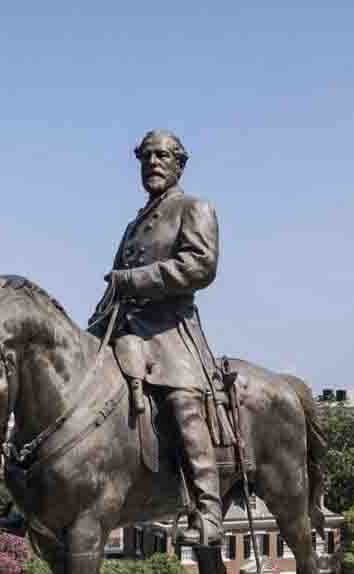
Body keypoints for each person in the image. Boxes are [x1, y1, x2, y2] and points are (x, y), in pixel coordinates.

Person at [90, 129, 222, 546]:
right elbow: (115, 287)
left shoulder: (193, 208)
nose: (152, 163)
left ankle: (208, 511)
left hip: (169, 331)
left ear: (179, 164)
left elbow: (200, 267)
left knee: (183, 404)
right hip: (124, 327)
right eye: (146, 156)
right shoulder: (134, 225)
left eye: (162, 156)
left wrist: (134, 279)